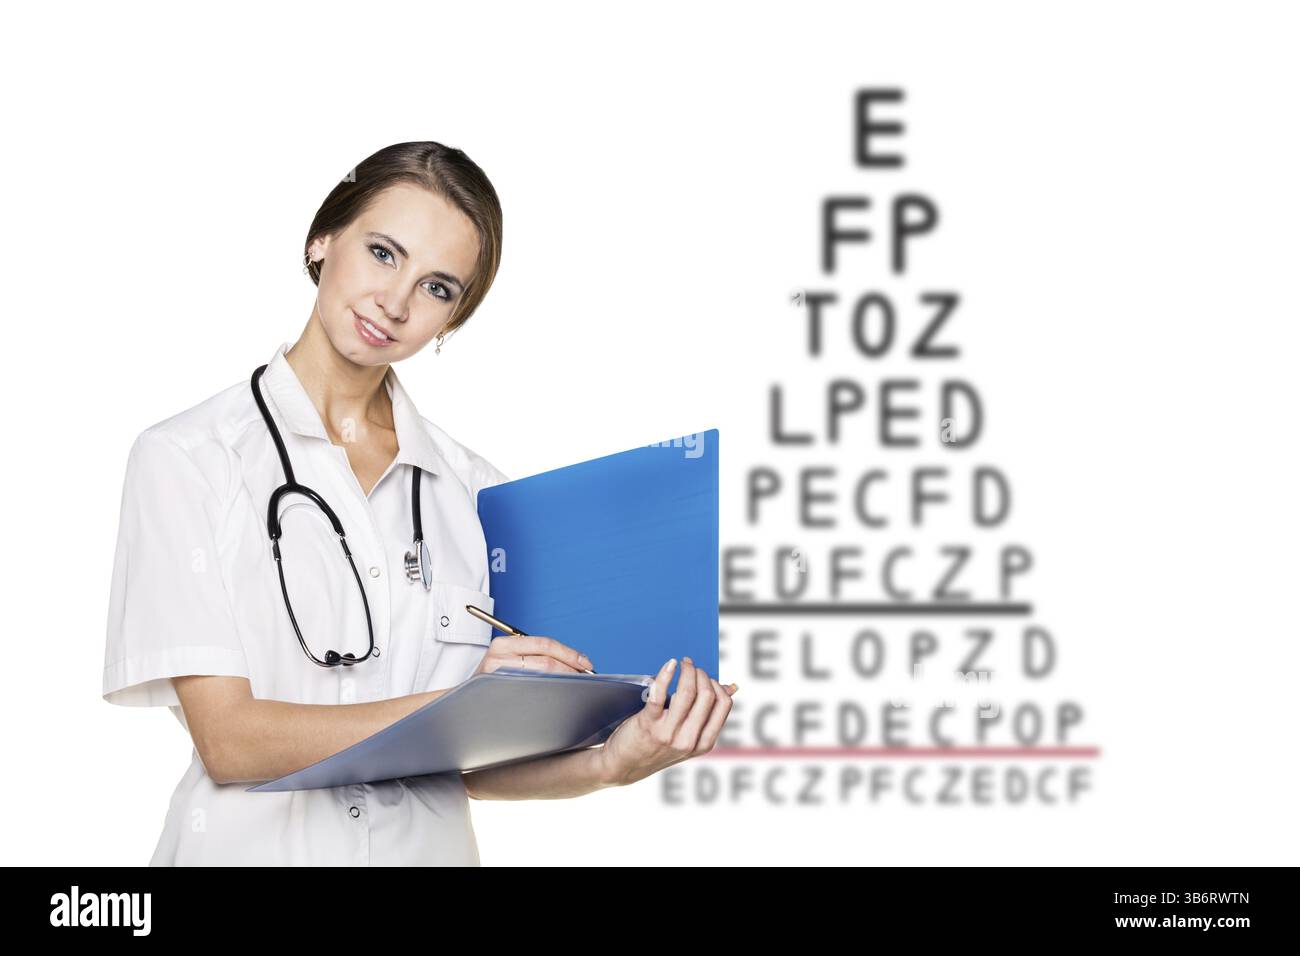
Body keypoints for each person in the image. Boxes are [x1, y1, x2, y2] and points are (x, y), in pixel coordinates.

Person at [102, 141, 736, 866]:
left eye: (439, 288)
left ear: (453, 319)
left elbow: (472, 767)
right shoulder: (188, 457)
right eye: (382, 252)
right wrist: (459, 708)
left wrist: (610, 761)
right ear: (322, 239)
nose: (396, 302)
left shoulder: (476, 493)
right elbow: (230, 740)